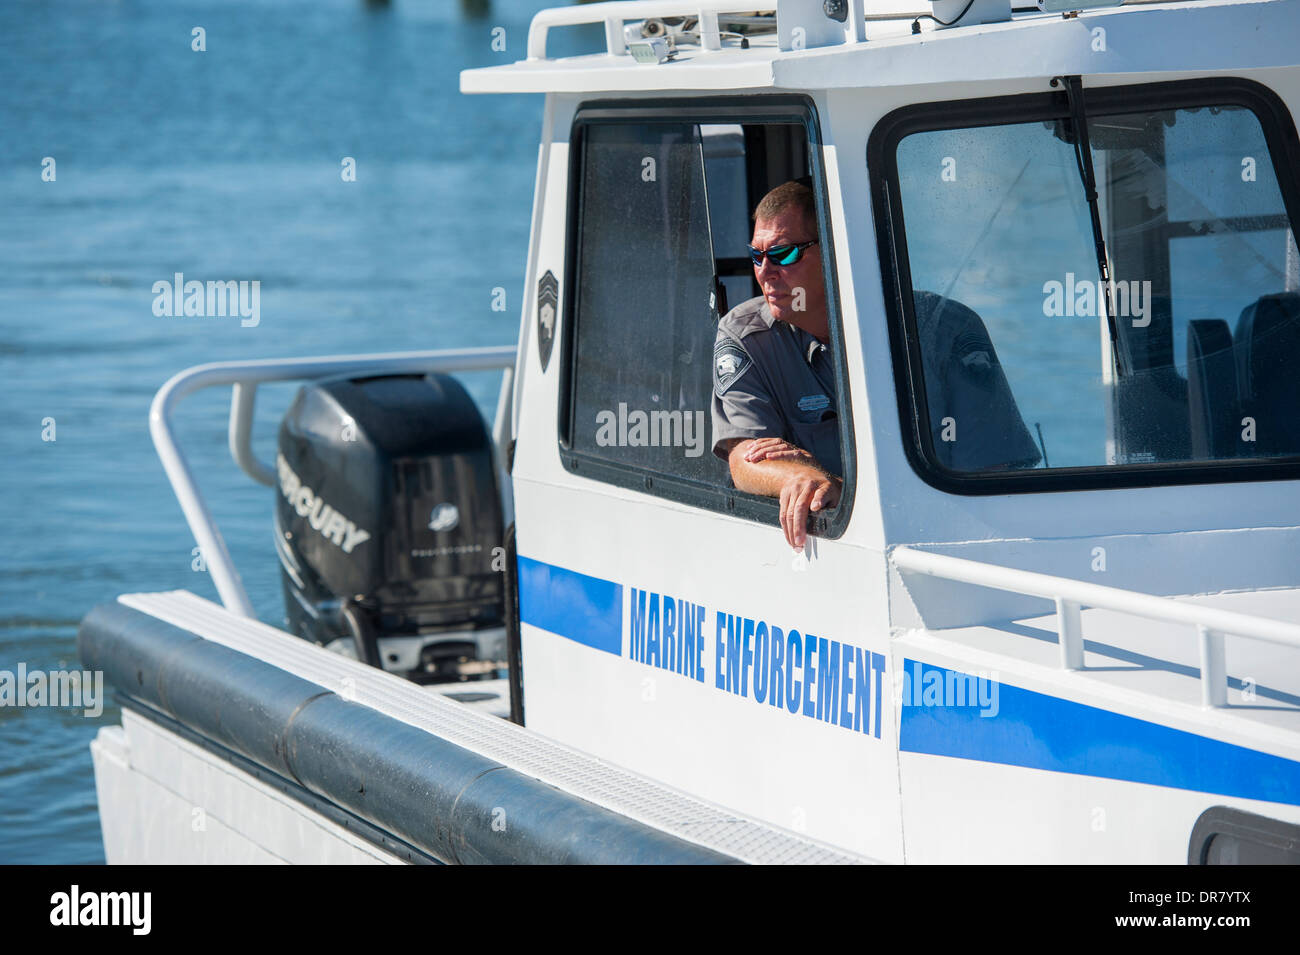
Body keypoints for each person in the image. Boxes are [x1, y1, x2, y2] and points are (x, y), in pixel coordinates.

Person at [711, 180, 839, 551]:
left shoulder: (935, 329)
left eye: (782, 255)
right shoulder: (745, 336)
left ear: (832, 250)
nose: (765, 272)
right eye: (756, 256)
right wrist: (801, 477)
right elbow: (744, 458)